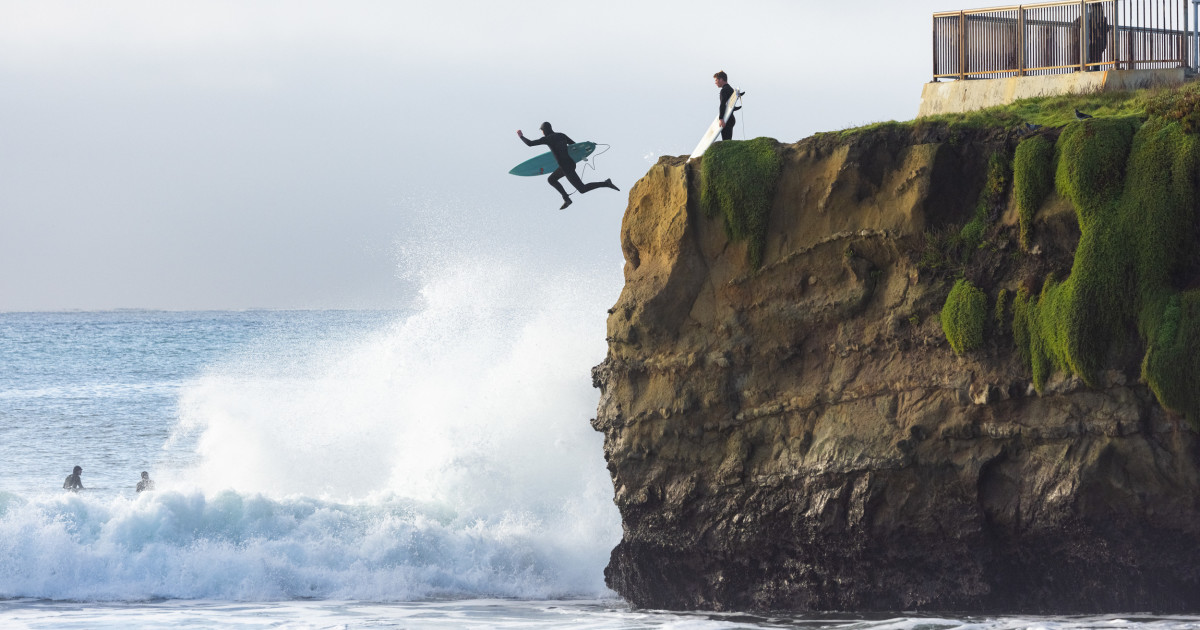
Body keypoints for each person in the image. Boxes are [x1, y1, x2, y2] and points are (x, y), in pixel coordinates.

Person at [517, 122, 619, 210]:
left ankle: (606, 183)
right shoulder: (561, 135)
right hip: (569, 164)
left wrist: (521, 136)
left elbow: (530, 143)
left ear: (544, 130)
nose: (542, 132)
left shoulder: (547, 139)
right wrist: (584, 153)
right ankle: (567, 198)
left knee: (582, 189)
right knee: (551, 179)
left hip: (566, 167)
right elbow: (575, 146)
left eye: (542, 130)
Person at [714, 71, 742, 141]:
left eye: (716, 80)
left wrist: (721, 119)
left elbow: (722, 104)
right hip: (731, 118)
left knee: (726, 141)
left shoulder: (723, 90)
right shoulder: (731, 89)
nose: (715, 82)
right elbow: (731, 106)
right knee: (728, 140)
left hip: (726, 119)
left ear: (721, 79)